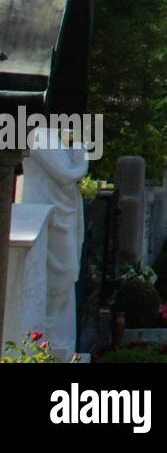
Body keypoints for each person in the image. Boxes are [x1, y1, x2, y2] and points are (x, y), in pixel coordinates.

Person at [20, 126, 90, 359]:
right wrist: (80, 149)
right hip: (51, 218)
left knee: (65, 279)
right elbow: (67, 172)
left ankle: (56, 340)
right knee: (59, 278)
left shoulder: (48, 134)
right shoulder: (37, 135)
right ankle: (46, 340)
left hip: (62, 216)